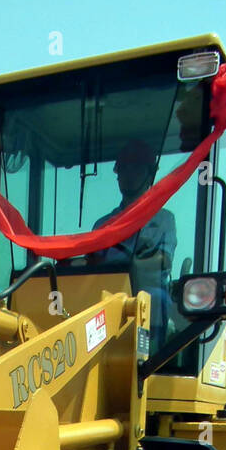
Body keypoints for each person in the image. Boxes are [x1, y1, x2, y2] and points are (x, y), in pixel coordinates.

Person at [89, 138, 177, 337]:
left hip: (146, 293)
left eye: (135, 169)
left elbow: (164, 260)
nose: (128, 176)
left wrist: (132, 263)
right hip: (107, 295)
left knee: (158, 298)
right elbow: (91, 264)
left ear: (150, 174)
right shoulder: (103, 224)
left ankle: (150, 354)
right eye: (123, 170)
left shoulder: (164, 220)